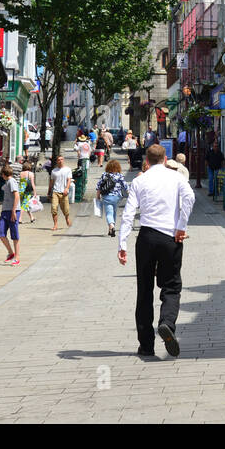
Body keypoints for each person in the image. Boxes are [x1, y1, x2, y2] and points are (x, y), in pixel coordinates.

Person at [118, 144, 195, 358]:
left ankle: (146, 345)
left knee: (144, 290)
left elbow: (128, 212)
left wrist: (122, 244)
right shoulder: (177, 177)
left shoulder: (139, 181)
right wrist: (181, 226)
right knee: (171, 285)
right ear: (165, 159)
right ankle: (167, 323)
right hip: (171, 237)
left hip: (147, 237)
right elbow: (189, 198)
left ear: (147, 160)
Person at [0, 164, 21, 266]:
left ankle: (17, 257)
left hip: (12, 211)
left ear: (3, 174)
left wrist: (14, 211)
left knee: (14, 235)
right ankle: (11, 253)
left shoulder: (12, 181)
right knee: (1, 233)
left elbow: (16, 196)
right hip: (5, 210)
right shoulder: (7, 182)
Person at [97, 158, 128, 236]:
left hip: (107, 196)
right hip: (117, 197)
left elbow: (99, 185)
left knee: (109, 213)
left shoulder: (104, 175)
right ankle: (110, 230)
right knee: (113, 211)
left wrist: (98, 195)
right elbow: (125, 186)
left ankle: (111, 225)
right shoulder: (119, 175)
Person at [49, 153, 74, 230]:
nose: (60, 161)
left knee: (65, 209)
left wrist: (67, 188)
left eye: (61, 159)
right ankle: (55, 224)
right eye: (59, 160)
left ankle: (67, 218)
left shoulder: (68, 169)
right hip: (55, 192)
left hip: (63, 192)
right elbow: (51, 182)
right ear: (57, 161)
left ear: (63, 160)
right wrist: (49, 191)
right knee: (54, 208)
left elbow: (69, 179)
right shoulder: (54, 171)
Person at [74, 134, 92, 202]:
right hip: (87, 159)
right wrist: (88, 157)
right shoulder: (87, 144)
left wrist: (79, 157)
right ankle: (84, 184)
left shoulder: (79, 144)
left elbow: (78, 152)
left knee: (80, 173)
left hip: (81, 159)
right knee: (85, 172)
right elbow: (90, 152)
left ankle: (81, 188)